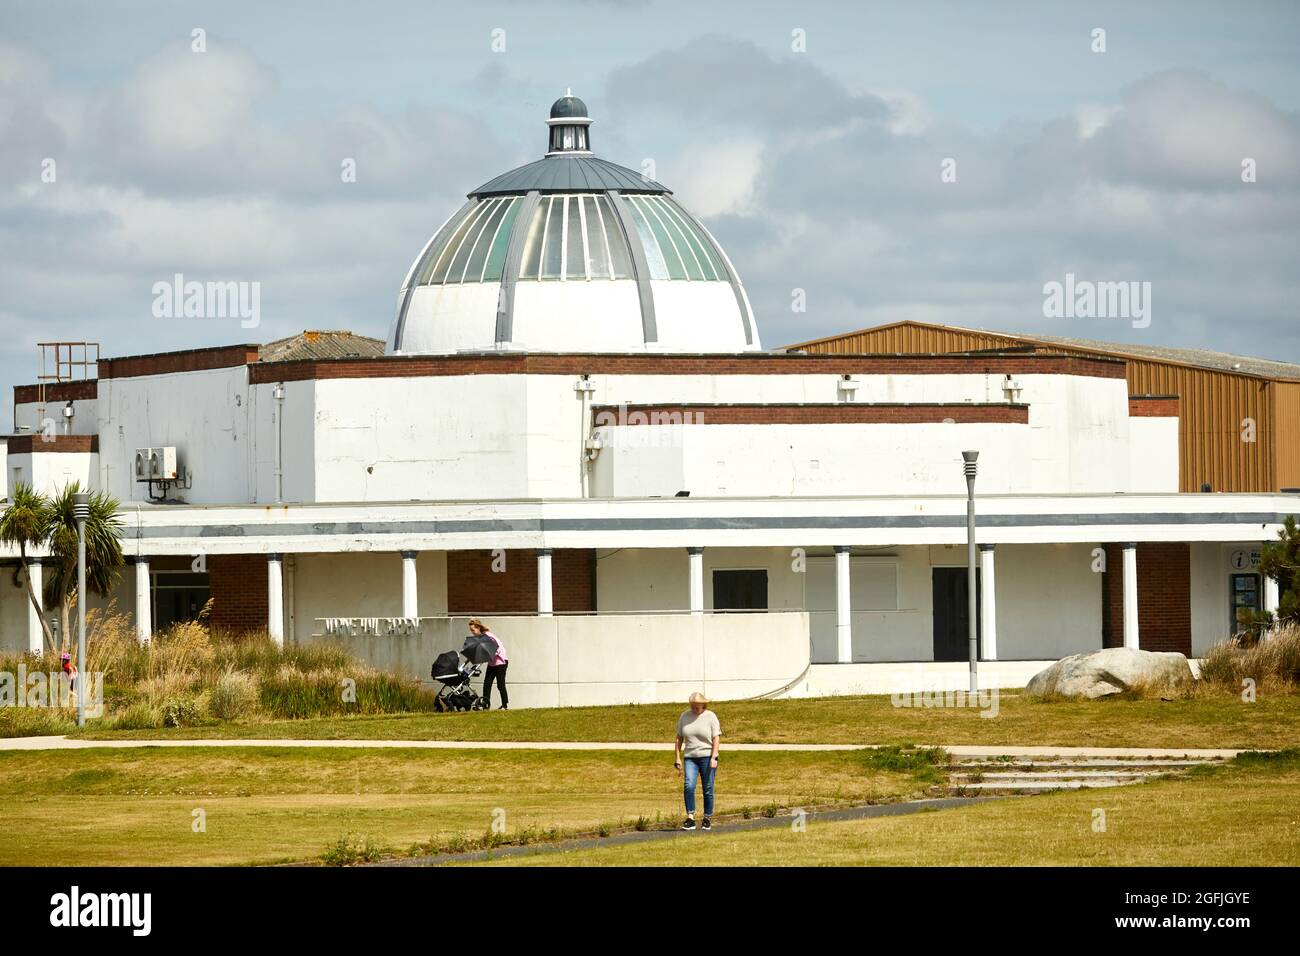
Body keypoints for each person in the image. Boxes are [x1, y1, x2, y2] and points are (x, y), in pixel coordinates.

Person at [674, 691, 720, 830]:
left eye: (697, 706)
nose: (694, 709)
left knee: (708, 788)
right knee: (689, 785)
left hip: (707, 756)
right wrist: (677, 757)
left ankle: (707, 817)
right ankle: (690, 818)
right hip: (690, 757)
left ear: (703, 705)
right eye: (693, 706)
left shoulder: (710, 716)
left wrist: (714, 757)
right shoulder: (684, 716)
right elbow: (679, 738)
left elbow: (716, 738)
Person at [469, 618, 508, 710]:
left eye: (473, 630)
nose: (472, 632)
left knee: (500, 684)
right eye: (471, 630)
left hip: (501, 662)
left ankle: (505, 705)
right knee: (487, 684)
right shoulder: (480, 638)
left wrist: (490, 655)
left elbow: (497, 647)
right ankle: (485, 704)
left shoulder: (488, 636)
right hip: (492, 663)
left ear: (478, 628)